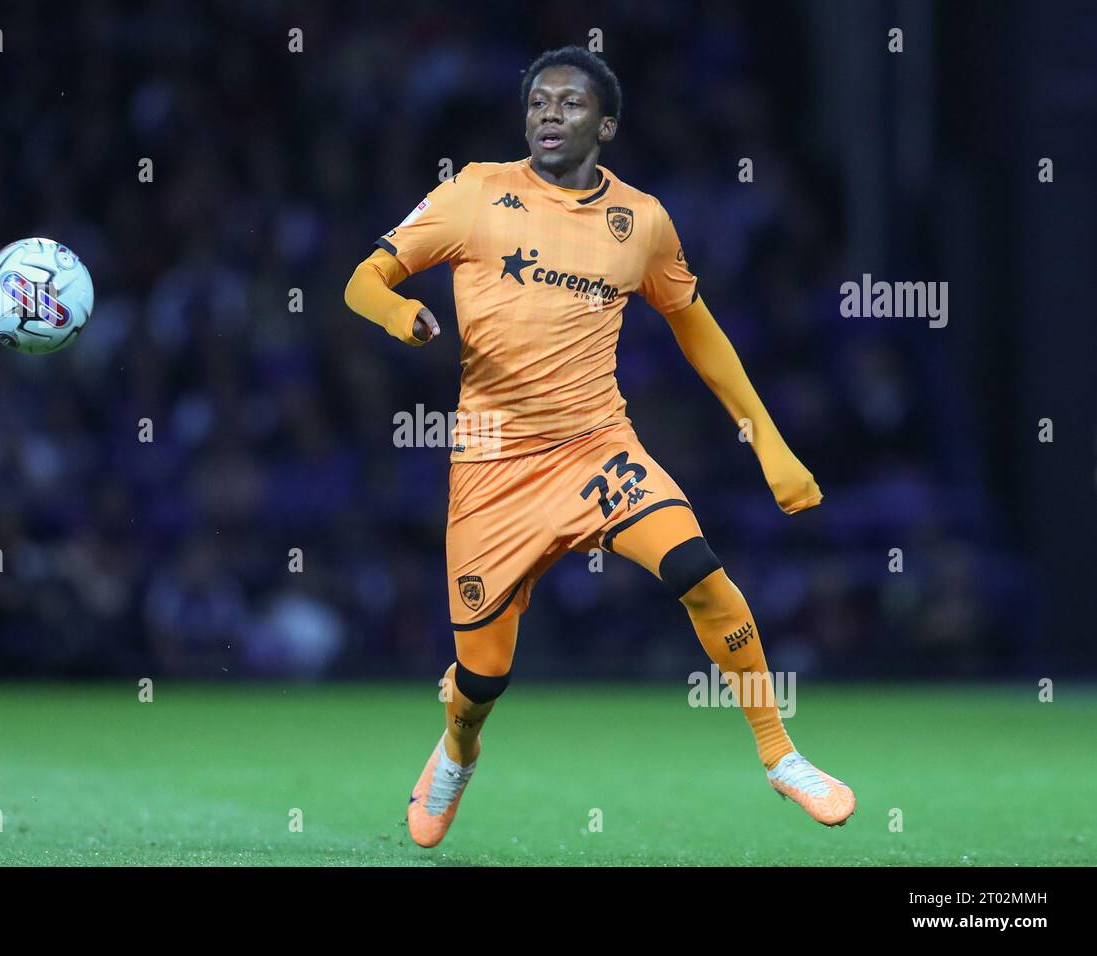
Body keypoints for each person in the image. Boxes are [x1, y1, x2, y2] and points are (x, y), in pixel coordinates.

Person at [344, 46, 855, 847]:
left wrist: (769, 444)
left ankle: (781, 754)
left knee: (699, 572)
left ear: (605, 124)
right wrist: (396, 314)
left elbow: (697, 329)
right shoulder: (475, 191)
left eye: (571, 104)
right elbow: (362, 279)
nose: (550, 113)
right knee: (482, 679)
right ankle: (457, 747)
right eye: (538, 102)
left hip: (595, 448)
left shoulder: (642, 222)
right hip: (491, 464)